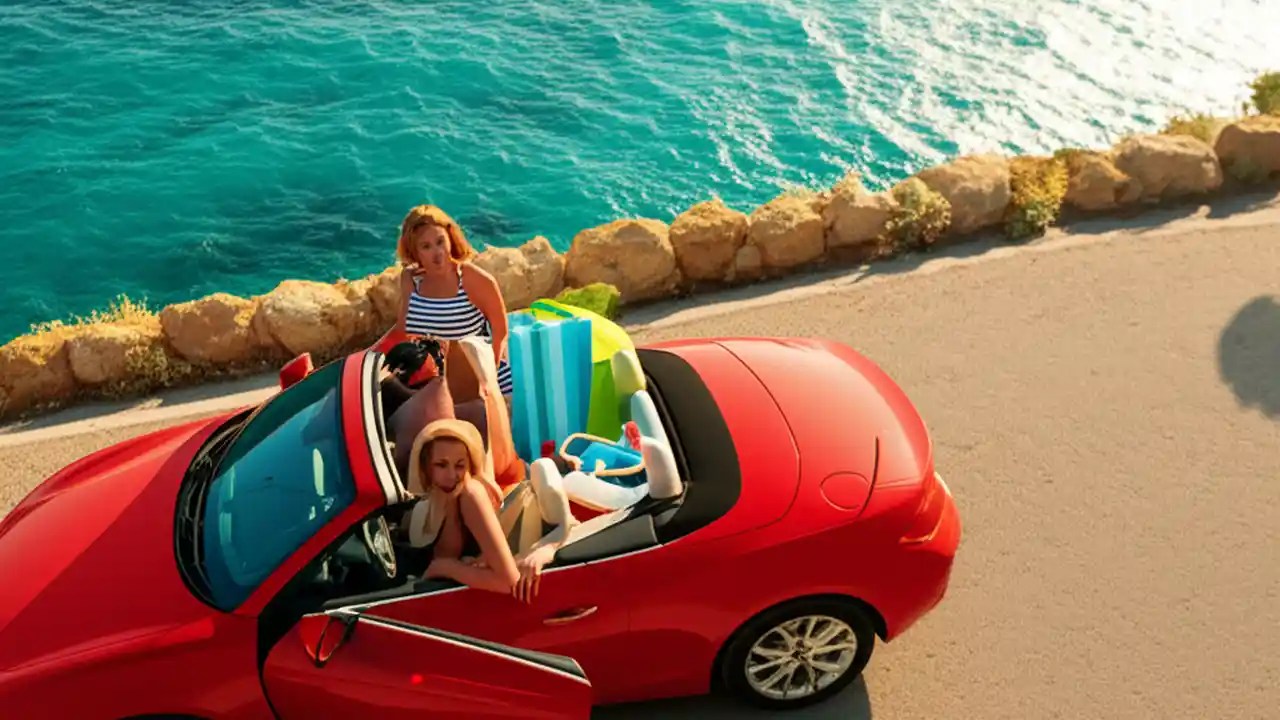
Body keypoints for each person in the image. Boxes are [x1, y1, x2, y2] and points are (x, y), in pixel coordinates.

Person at [404, 418, 556, 603]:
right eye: (441, 465)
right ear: (426, 466)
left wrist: (445, 567)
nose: (452, 475)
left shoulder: (470, 495)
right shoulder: (430, 500)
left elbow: (507, 581)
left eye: (460, 465)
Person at [391, 204, 513, 399]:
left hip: (482, 380)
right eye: (426, 246)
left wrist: (488, 378)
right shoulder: (410, 280)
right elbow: (403, 330)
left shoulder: (471, 278)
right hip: (433, 383)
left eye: (440, 242)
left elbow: (501, 332)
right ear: (414, 251)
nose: (437, 253)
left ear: (450, 238)